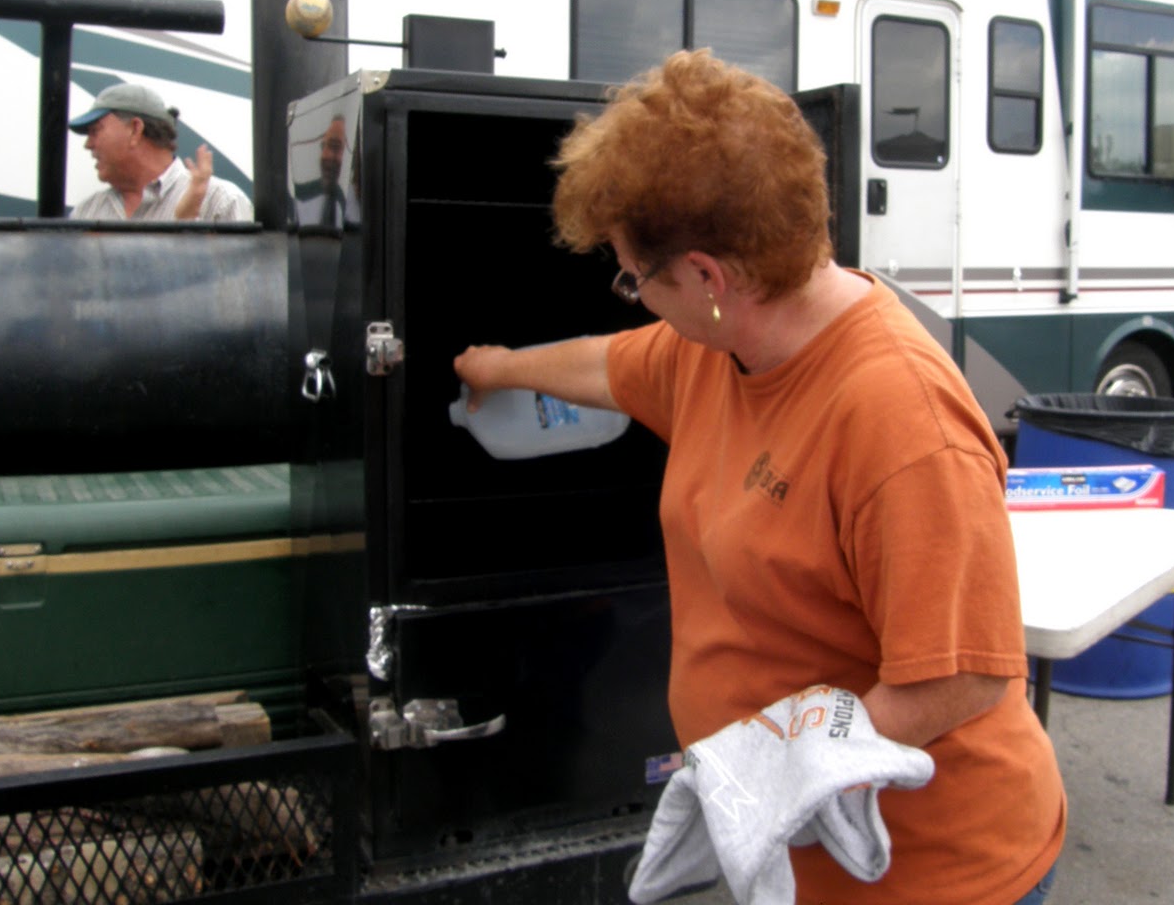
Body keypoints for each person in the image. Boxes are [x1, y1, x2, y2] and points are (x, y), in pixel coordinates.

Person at [453, 50, 1064, 905]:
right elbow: (608, 366)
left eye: (634, 275)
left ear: (707, 275)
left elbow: (963, 676)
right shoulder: (718, 345)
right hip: (790, 862)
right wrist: (501, 366)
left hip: (932, 874)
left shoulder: (900, 423)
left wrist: (762, 771)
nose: (632, 293)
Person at [68, 83, 252, 222]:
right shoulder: (85, 213)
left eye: (95, 131)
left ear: (135, 129)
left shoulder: (220, 201)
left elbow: (246, 272)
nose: (88, 144)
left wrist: (187, 225)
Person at [293, 115, 360, 227]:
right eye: (323, 146)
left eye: (335, 146)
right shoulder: (300, 202)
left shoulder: (361, 207)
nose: (325, 155)